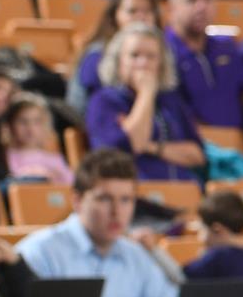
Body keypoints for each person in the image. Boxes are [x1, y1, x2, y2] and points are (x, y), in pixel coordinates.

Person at [15, 149, 176, 297]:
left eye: (126, 200)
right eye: (105, 199)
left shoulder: (135, 255)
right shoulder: (39, 251)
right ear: (77, 200)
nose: (117, 211)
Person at [86, 25, 205, 185]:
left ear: (161, 64)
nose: (143, 63)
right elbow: (134, 143)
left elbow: (197, 155)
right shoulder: (104, 101)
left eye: (151, 56)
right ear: (119, 61)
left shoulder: (171, 101)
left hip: (182, 190)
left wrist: (153, 148)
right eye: (134, 55)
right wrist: (146, 93)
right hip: (132, 194)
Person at [163, 0, 243, 131]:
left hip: (235, 146)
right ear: (172, 7)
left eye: (208, 0)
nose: (202, 7)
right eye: (192, 0)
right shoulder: (160, 50)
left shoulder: (227, 46)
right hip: (190, 147)